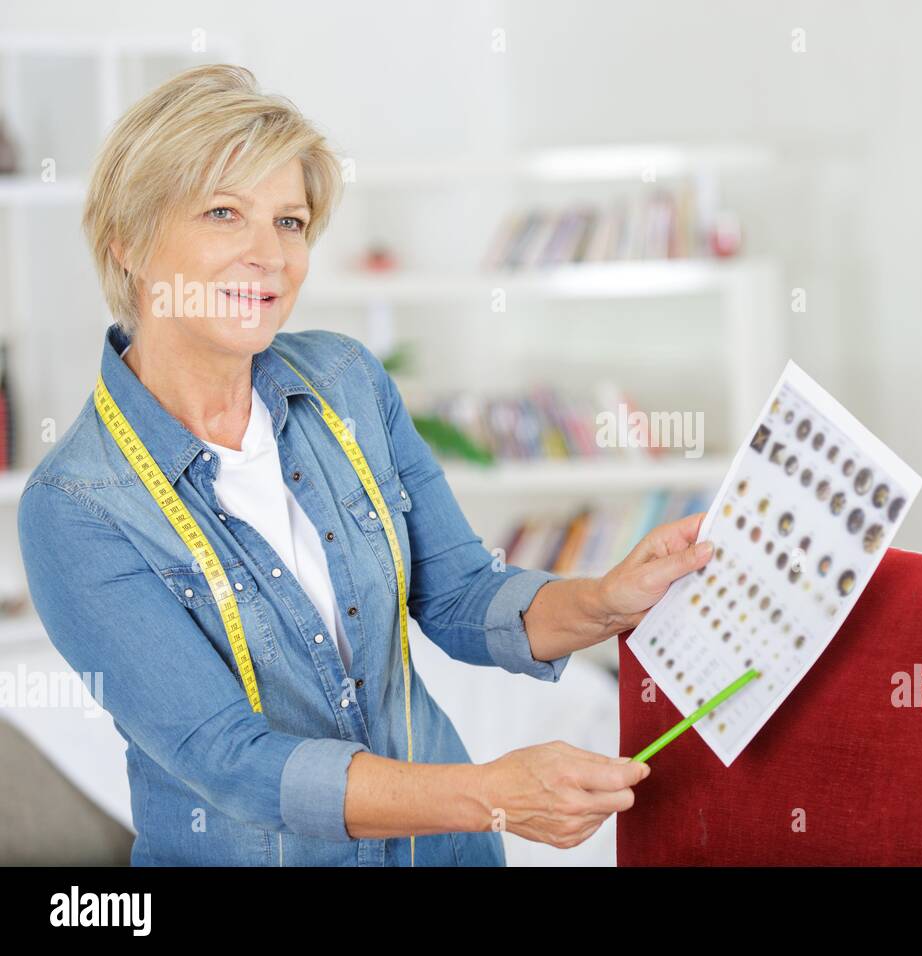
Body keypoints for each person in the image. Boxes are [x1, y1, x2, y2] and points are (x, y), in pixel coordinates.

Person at [16, 64, 714, 866]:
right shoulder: (77, 505)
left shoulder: (346, 383)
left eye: (290, 220)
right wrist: (490, 794)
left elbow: (458, 592)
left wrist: (603, 600)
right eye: (223, 214)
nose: (268, 256)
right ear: (129, 243)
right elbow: (232, 760)